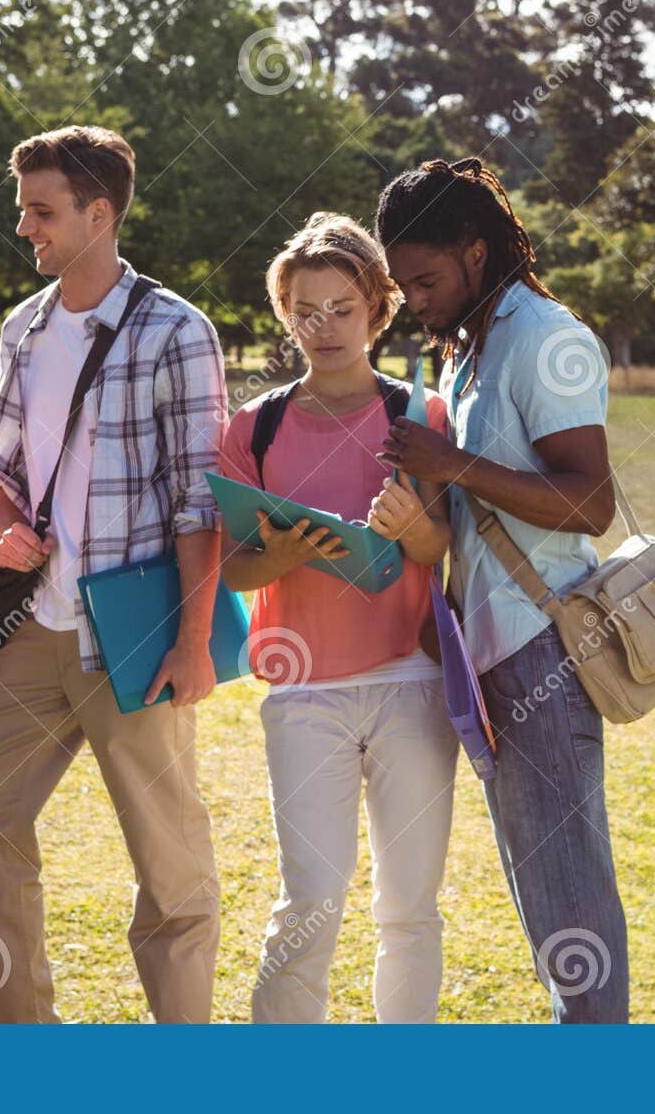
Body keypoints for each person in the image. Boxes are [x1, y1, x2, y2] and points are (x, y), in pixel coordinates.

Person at [0, 126, 227, 1023]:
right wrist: (6, 523)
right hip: (35, 626)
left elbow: (200, 501)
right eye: (23, 207)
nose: (24, 226)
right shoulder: (23, 328)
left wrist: (191, 640)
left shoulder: (178, 331)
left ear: (98, 213)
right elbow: (0, 465)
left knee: (168, 862)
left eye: (42, 210)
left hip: (133, 633)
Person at [375, 158, 629, 1023]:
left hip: (544, 654)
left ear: (477, 252)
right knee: (545, 898)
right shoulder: (473, 350)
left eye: (427, 277)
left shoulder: (545, 336)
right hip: (492, 660)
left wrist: (450, 464)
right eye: (403, 283)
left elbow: (590, 499)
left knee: (569, 901)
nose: (414, 298)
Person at [219, 212, 458, 1023]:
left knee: (409, 907)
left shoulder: (421, 416)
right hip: (302, 689)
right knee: (311, 900)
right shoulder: (254, 427)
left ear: (376, 311)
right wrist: (285, 555)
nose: (322, 327)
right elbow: (230, 562)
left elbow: (441, 546)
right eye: (305, 310)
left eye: (341, 309)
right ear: (286, 314)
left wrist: (409, 529)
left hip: (411, 684)